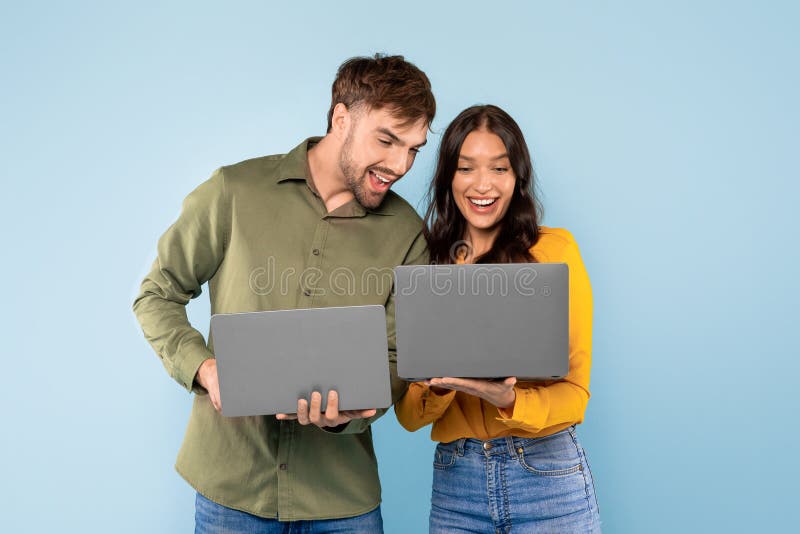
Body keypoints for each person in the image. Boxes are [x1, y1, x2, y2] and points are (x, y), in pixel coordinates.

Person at [132, 54, 435, 533]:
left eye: (414, 149)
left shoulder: (408, 233)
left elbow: (399, 357)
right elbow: (157, 294)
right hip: (230, 491)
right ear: (341, 118)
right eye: (387, 140)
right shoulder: (234, 191)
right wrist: (204, 369)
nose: (400, 164)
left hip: (343, 503)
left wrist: (358, 409)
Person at [394, 104, 601, 533]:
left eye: (499, 169)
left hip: (546, 475)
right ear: (449, 177)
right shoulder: (427, 266)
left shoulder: (555, 253)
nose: (482, 185)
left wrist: (508, 399)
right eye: (466, 168)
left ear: (517, 178)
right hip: (457, 483)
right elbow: (411, 415)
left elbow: (575, 394)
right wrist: (442, 385)